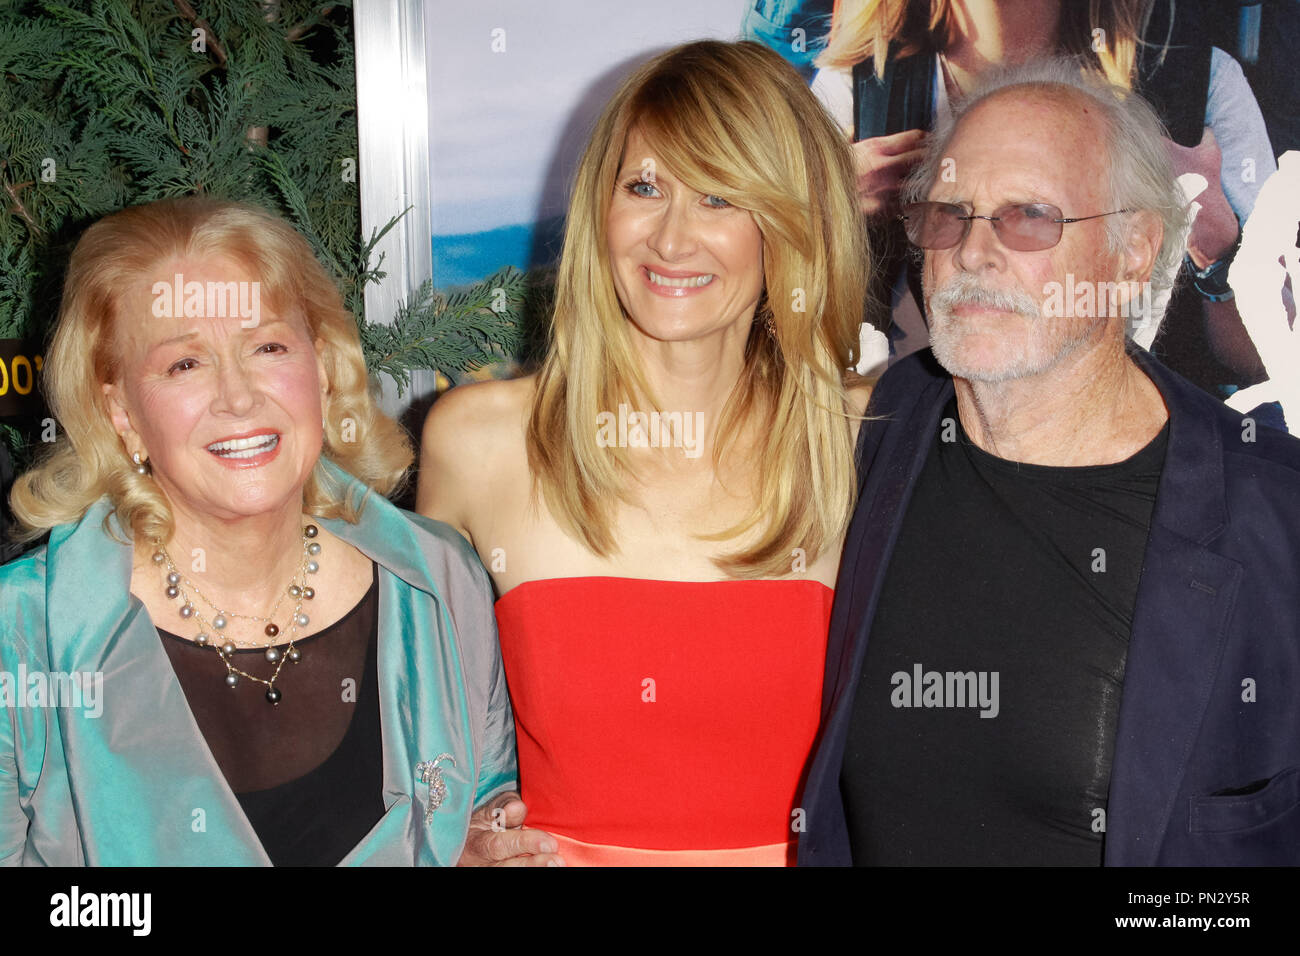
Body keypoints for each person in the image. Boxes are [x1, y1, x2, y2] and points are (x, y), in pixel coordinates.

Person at [798, 57, 1300, 866]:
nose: (972, 252)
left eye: (1029, 217)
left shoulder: (1275, 517)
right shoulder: (873, 439)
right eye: (948, 214)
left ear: (1134, 250)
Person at [418, 40, 872, 865]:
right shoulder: (481, 443)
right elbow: (423, 745)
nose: (672, 237)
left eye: (720, 197)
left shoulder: (865, 443)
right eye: (645, 187)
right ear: (602, 209)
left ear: (790, 225)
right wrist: (459, 839)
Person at [0, 196, 547, 866]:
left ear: (320, 368)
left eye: (267, 346)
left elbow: (485, 806)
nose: (238, 397)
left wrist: (481, 849)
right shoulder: (24, 636)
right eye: (185, 364)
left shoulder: (439, 583)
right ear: (122, 414)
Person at [749, 0, 1278, 400]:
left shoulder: (1194, 86)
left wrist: (1215, 242)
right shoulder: (862, 88)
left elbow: (1269, 362)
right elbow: (772, 327)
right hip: (924, 452)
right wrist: (827, 209)